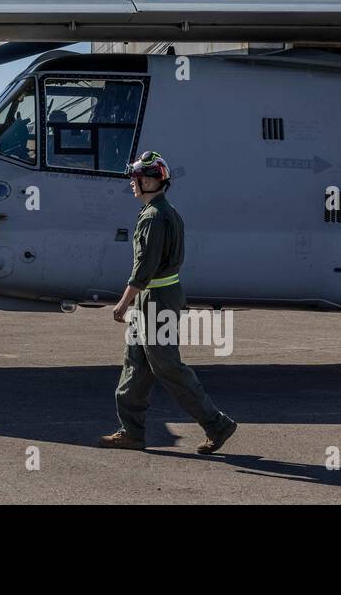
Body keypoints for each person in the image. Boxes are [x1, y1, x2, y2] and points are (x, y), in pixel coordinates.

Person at [99, 151, 237, 455]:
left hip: (156, 302)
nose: (132, 184)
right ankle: (131, 432)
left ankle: (216, 424)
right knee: (135, 364)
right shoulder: (165, 212)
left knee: (167, 367)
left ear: (150, 180)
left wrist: (123, 303)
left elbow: (144, 268)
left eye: (136, 179)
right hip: (157, 299)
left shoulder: (154, 217)